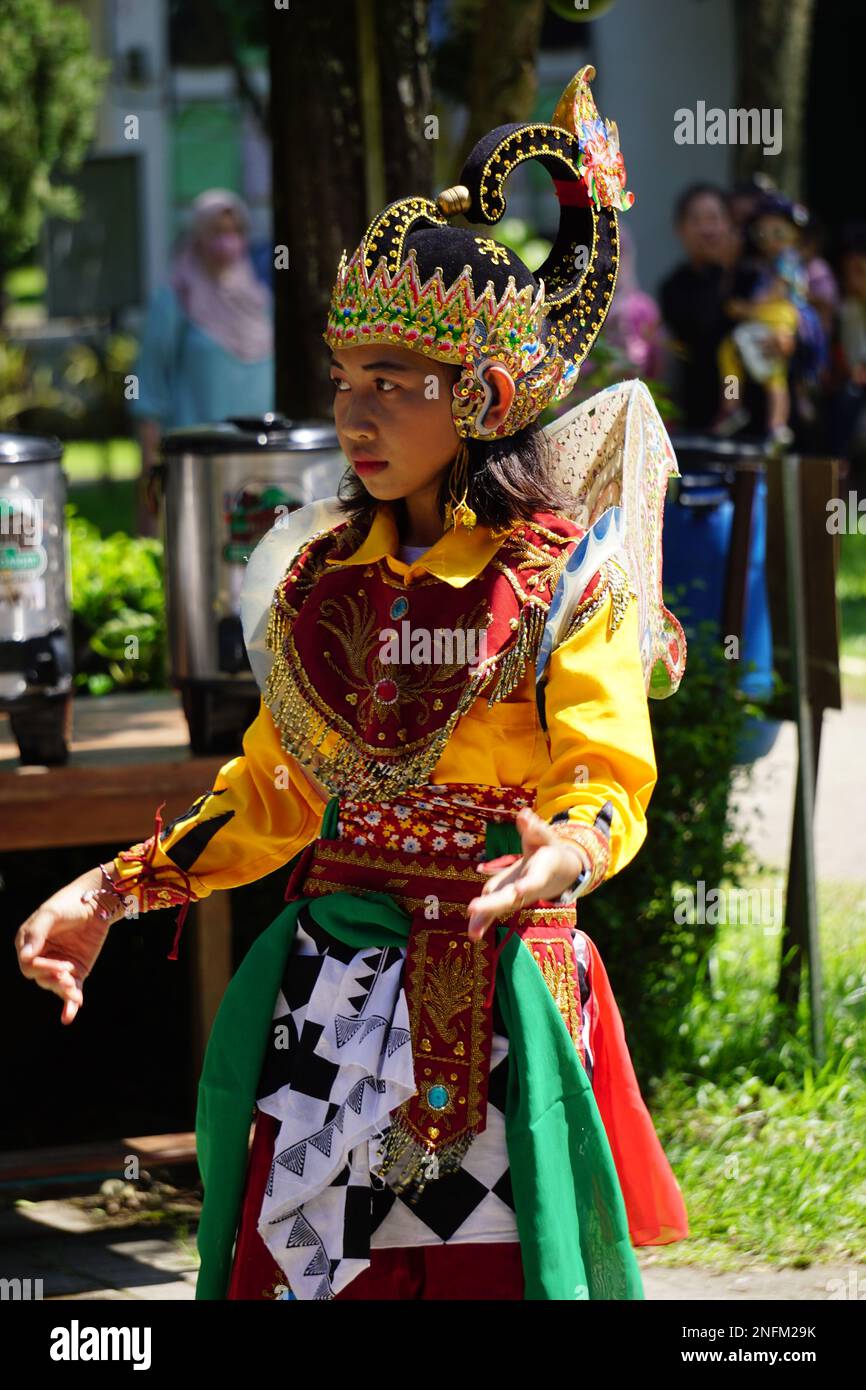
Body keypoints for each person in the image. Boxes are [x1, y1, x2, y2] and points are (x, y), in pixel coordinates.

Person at [15, 66, 688, 1301]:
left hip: (494, 1004)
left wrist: (561, 857)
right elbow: (271, 793)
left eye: (392, 379)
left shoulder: (559, 579)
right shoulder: (321, 579)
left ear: (479, 396)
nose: (353, 410)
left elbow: (604, 770)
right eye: (344, 377)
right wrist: (106, 894)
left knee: (485, 1274)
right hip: (325, 997)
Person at [130, 188, 274, 534]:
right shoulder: (175, 298)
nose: (228, 242)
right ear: (198, 236)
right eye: (217, 232)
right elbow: (149, 389)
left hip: (261, 467)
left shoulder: (259, 300)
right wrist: (150, 472)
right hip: (197, 465)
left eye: (236, 231)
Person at [659, 183, 744, 428]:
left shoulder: (751, 278)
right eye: (696, 220)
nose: (707, 229)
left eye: (714, 218)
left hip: (753, 408)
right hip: (698, 409)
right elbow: (704, 328)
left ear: (730, 225)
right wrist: (721, 271)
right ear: (680, 229)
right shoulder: (674, 287)